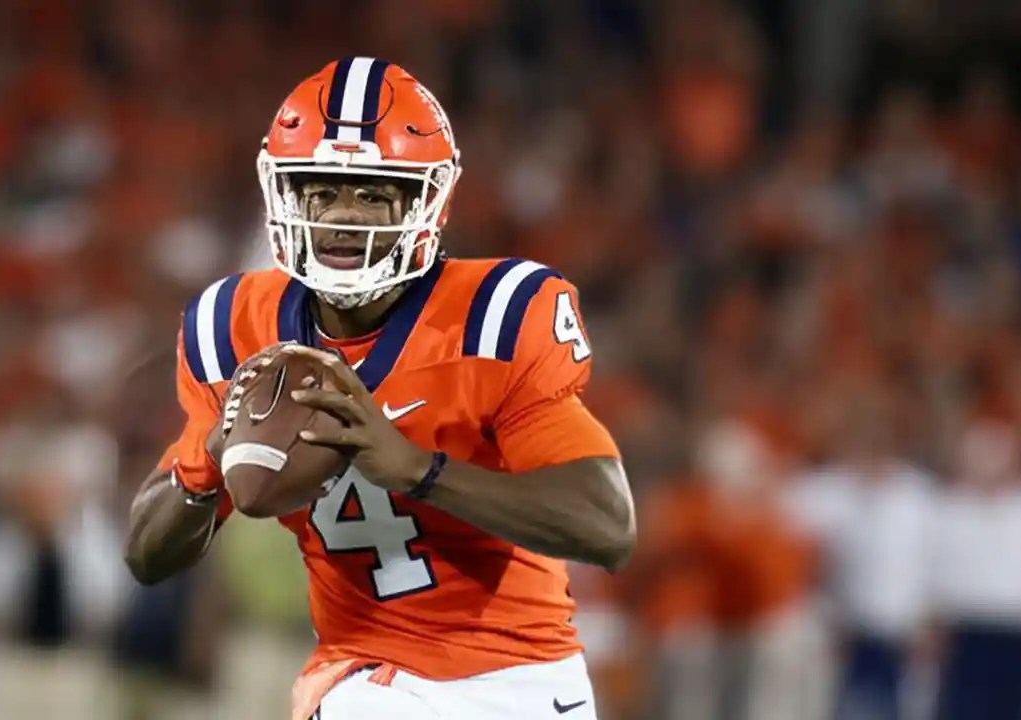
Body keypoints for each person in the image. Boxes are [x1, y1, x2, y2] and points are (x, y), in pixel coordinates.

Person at [125, 57, 637, 720]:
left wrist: (419, 470)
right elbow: (145, 555)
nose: (344, 215)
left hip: (519, 681)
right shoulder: (234, 329)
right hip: (364, 677)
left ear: (426, 200)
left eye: (372, 193)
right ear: (286, 197)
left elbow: (608, 526)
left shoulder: (494, 317)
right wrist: (209, 458)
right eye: (322, 190)